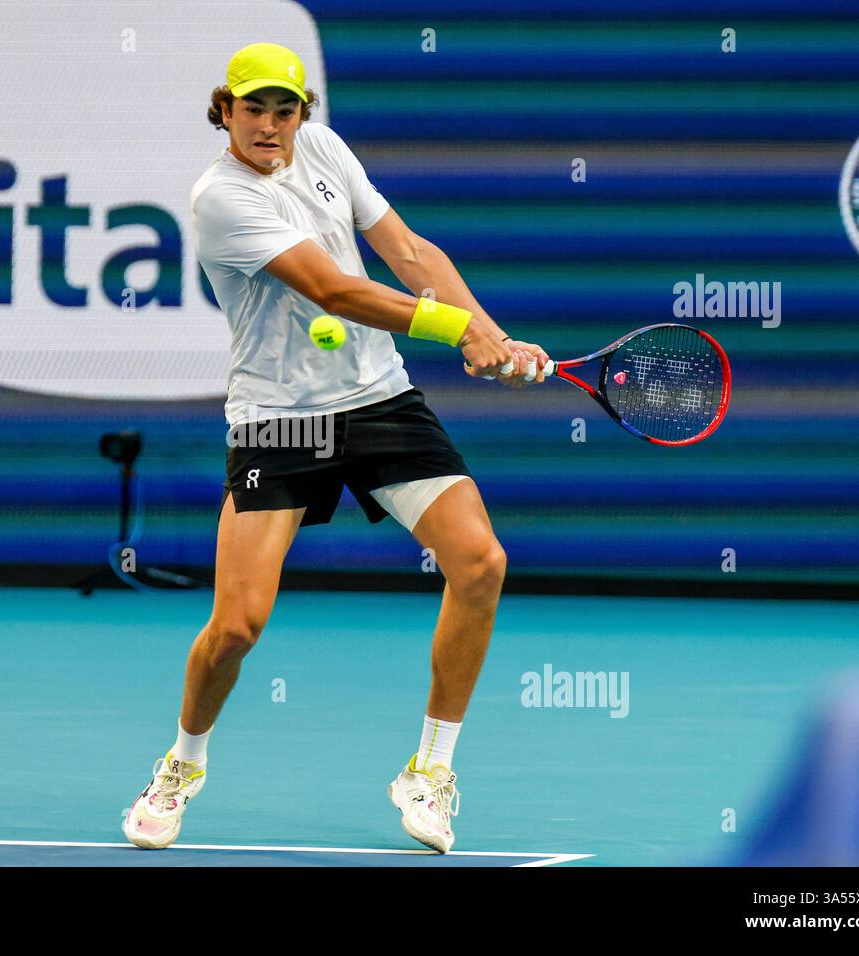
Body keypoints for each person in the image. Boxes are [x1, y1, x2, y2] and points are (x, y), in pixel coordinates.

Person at [123, 41, 548, 853]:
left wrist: (490, 336)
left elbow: (409, 253)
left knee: (481, 563)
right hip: (279, 421)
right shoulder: (220, 198)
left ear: (302, 114)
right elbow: (333, 289)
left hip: (379, 398)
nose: (271, 124)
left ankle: (429, 770)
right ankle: (181, 764)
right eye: (254, 108)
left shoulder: (324, 148)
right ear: (225, 111)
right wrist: (457, 330)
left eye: (285, 109)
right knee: (239, 626)